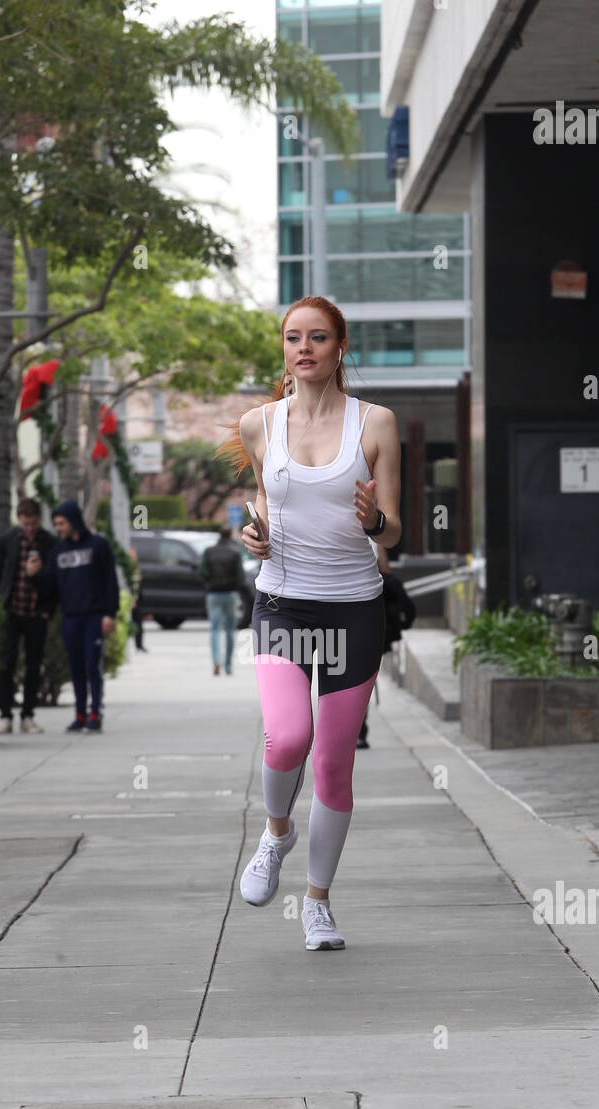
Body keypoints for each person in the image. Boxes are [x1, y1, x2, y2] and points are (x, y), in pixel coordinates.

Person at [216, 295, 401, 951]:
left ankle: (317, 905)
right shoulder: (259, 424)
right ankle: (275, 833)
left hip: (354, 607)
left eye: (318, 337)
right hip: (285, 602)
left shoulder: (375, 424)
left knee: (332, 764)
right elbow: (267, 506)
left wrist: (374, 521)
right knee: (287, 737)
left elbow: (394, 529)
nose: (305, 348)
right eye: (294, 337)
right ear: (284, 348)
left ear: (339, 347)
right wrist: (255, 536)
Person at [25, 499, 119, 733]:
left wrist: (110, 613)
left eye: (62, 523)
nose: (59, 528)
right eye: (56, 524)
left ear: (74, 521)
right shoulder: (58, 550)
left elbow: (110, 581)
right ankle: (80, 714)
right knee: (76, 668)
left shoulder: (98, 545)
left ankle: (95, 713)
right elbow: (50, 586)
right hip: (70, 618)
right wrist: (33, 576)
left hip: (94, 617)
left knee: (91, 665)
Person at [0, 497, 55, 734]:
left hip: (37, 613)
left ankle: (28, 715)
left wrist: (47, 604)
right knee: (5, 664)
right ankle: (5, 715)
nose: (29, 528)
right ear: (18, 519)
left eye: (33, 523)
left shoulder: (48, 542)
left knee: (34, 666)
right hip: (11, 612)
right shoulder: (6, 541)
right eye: (25, 523)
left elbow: (54, 580)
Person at [357, 543, 417, 749]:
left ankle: (358, 729)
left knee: (356, 676)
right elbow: (386, 571)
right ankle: (355, 730)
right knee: (348, 674)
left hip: (365, 612)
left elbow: (386, 575)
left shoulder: (373, 532)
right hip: (343, 612)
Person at [199, 525, 246, 675]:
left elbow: (201, 572)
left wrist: (209, 582)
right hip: (230, 593)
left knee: (215, 628)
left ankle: (216, 660)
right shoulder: (235, 553)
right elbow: (241, 577)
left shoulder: (209, 551)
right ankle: (228, 664)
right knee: (230, 630)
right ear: (230, 535)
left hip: (213, 593)